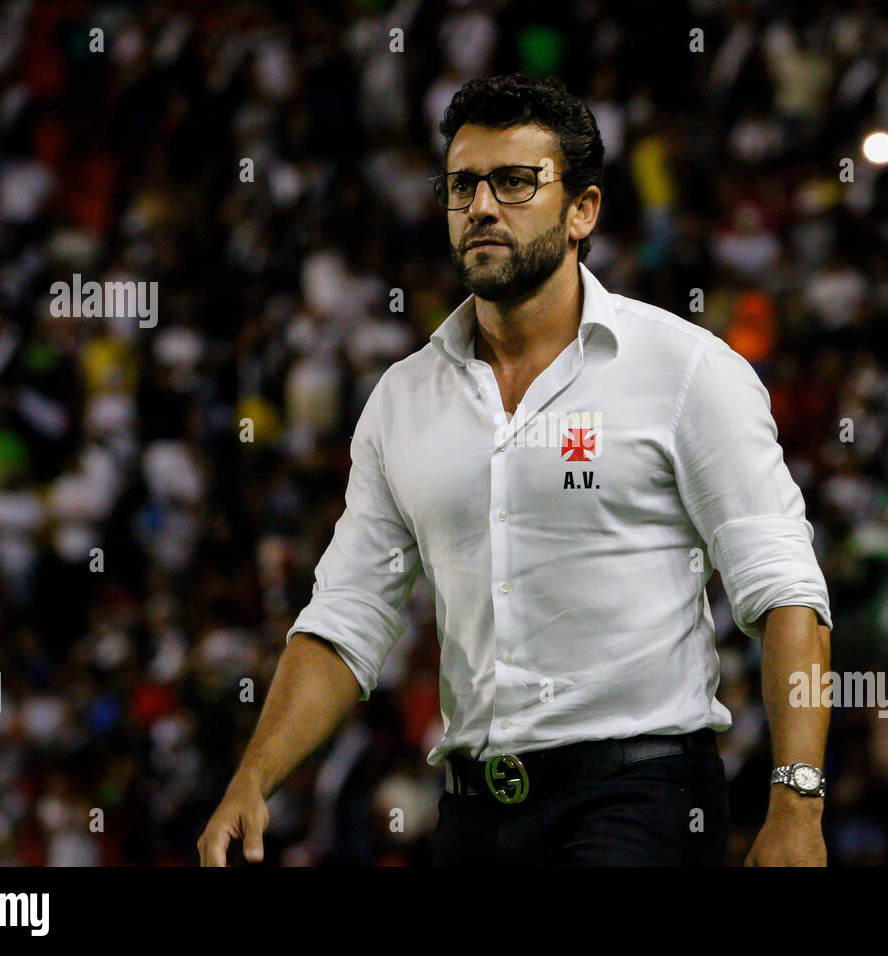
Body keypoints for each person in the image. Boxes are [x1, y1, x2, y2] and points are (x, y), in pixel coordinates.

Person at [198, 73, 833, 867]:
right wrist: (252, 777)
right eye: (462, 185)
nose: (483, 207)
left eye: (515, 181)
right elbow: (348, 618)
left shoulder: (686, 371)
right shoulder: (402, 400)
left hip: (640, 802)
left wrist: (796, 805)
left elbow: (787, 595)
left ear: (583, 211)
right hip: (473, 817)